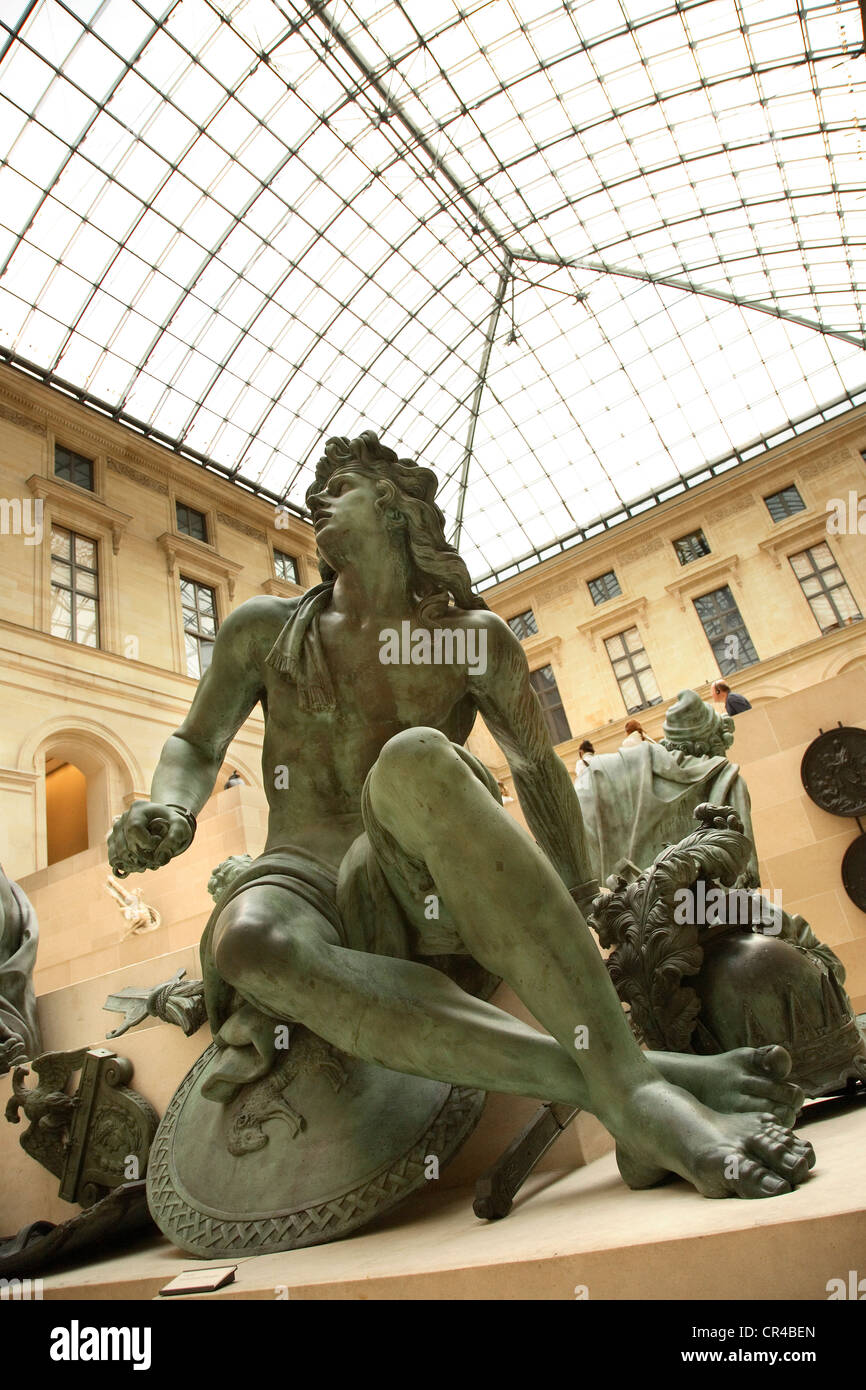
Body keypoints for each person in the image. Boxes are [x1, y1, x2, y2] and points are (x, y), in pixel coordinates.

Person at [108, 431, 812, 1200]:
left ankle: (633, 1093)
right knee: (245, 941)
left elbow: (539, 773)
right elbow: (195, 740)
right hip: (295, 874)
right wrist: (170, 806)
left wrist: (584, 903)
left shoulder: (472, 643)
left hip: (412, 878)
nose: (315, 501)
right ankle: (631, 1088)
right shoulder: (264, 628)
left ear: (395, 510)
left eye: (336, 487)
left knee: (414, 757)